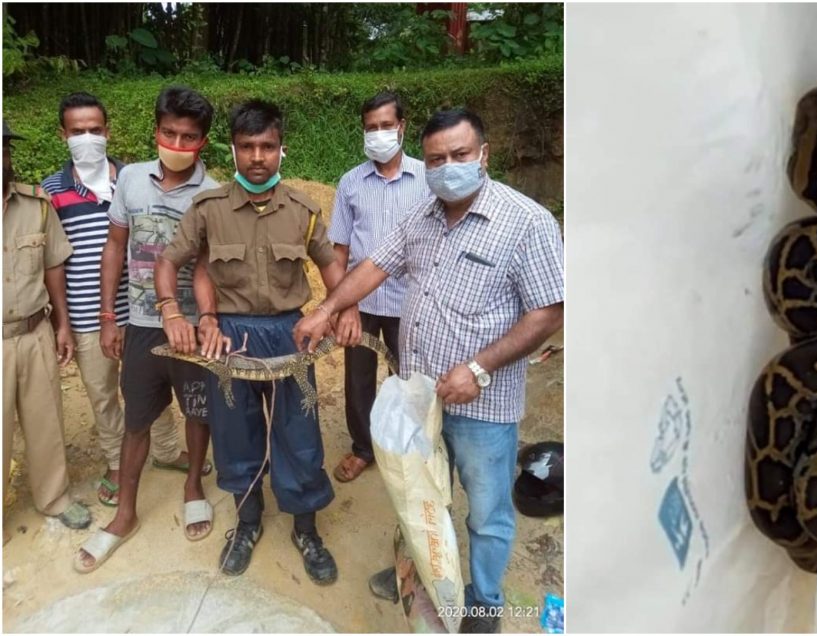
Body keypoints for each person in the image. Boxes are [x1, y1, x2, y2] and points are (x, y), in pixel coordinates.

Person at [293, 108, 565, 633]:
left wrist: (480, 369)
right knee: (418, 496)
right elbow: (374, 265)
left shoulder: (526, 221)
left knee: (486, 514)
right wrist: (327, 310)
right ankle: (420, 576)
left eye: (459, 156)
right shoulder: (422, 213)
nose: (447, 168)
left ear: (483, 155)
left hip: (483, 403)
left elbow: (549, 311)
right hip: (420, 396)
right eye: (437, 158)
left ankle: (483, 604)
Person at [156, 99, 353, 585]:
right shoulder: (209, 209)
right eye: (248, 147)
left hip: (291, 335)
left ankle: (305, 527)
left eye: (267, 146)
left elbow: (331, 266)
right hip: (229, 338)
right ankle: (246, 523)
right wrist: (173, 312)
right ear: (234, 149)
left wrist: (343, 307)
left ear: (281, 150)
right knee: (235, 433)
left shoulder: (303, 211)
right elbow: (171, 262)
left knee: (299, 432)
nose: (258, 156)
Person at [74, 86, 219, 573]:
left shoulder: (212, 192)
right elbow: (115, 247)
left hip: (193, 332)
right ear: (155, 130)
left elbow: (205, 267)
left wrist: (202, 323)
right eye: (169, 132)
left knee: (198, 412)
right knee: (138, 419)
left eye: (189, 136)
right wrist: (108, 317)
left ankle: (193, 485)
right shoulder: (131, 179)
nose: (177, 142)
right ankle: (125, 513)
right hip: (139, 325)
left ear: (203, 141)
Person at [41, 91, 201, 510]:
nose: (87, 138)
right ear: (63, 135)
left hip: (145, 310)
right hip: (86, 311)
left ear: (108, 131)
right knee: (102, 391)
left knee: (146, 386)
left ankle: (165, 450)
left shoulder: (131, 177)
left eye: (95, 129)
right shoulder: (51, 191)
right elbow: (53, 261)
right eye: (78, 132)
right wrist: (74, 319)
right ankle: (116, 461)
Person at [327, 91, 430, 483]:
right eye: (372, 127)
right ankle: (363, 448)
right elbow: (339, 250)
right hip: (362, 301)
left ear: (402, 127)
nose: (379, 133)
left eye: (387, 126)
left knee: (411, 376)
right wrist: (341, 305)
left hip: (412, 301)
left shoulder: (427, 179)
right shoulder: (351, 183)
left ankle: (411, 445)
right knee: (358, 379)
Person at [2, 120, 92, 536]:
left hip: (36, 331)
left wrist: (62, 326)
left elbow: (54, 265)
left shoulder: (37, 205)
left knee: (45, 422)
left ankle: (55, 498)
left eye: (2, 149)